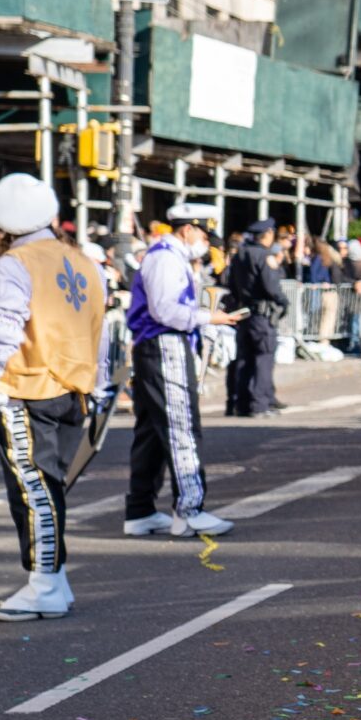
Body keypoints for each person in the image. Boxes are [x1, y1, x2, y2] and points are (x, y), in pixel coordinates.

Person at [0, 174, 106, 621]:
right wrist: (98, 382)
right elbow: (98, 330)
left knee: (33, 489)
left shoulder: (14, 264)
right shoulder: (83, 260)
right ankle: (55, 578)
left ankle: (44, 583)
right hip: (74, 387)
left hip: (27, 386)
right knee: (51, 487)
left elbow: (3, 326)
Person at [124, 204, 249, 538]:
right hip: (164, 344)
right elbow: (165, 310)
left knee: (152, 430)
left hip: (159, 345)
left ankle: (140, 510)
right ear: (188, 229)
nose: (207, 242)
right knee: (181, 425)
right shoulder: (166, 257)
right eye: (205, 234)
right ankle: (189, 509)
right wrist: (211, 318)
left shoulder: (168, 256)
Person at [222, 218, 287, 416]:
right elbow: (271, 287)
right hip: (262, 314)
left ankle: (240, 404)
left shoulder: (240, 254)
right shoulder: (265, 256)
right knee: (263, 359)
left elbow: (230, 284)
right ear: (267, 235)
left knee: (244, 359)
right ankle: (259, 405)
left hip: (245, 313)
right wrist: (284, 302)